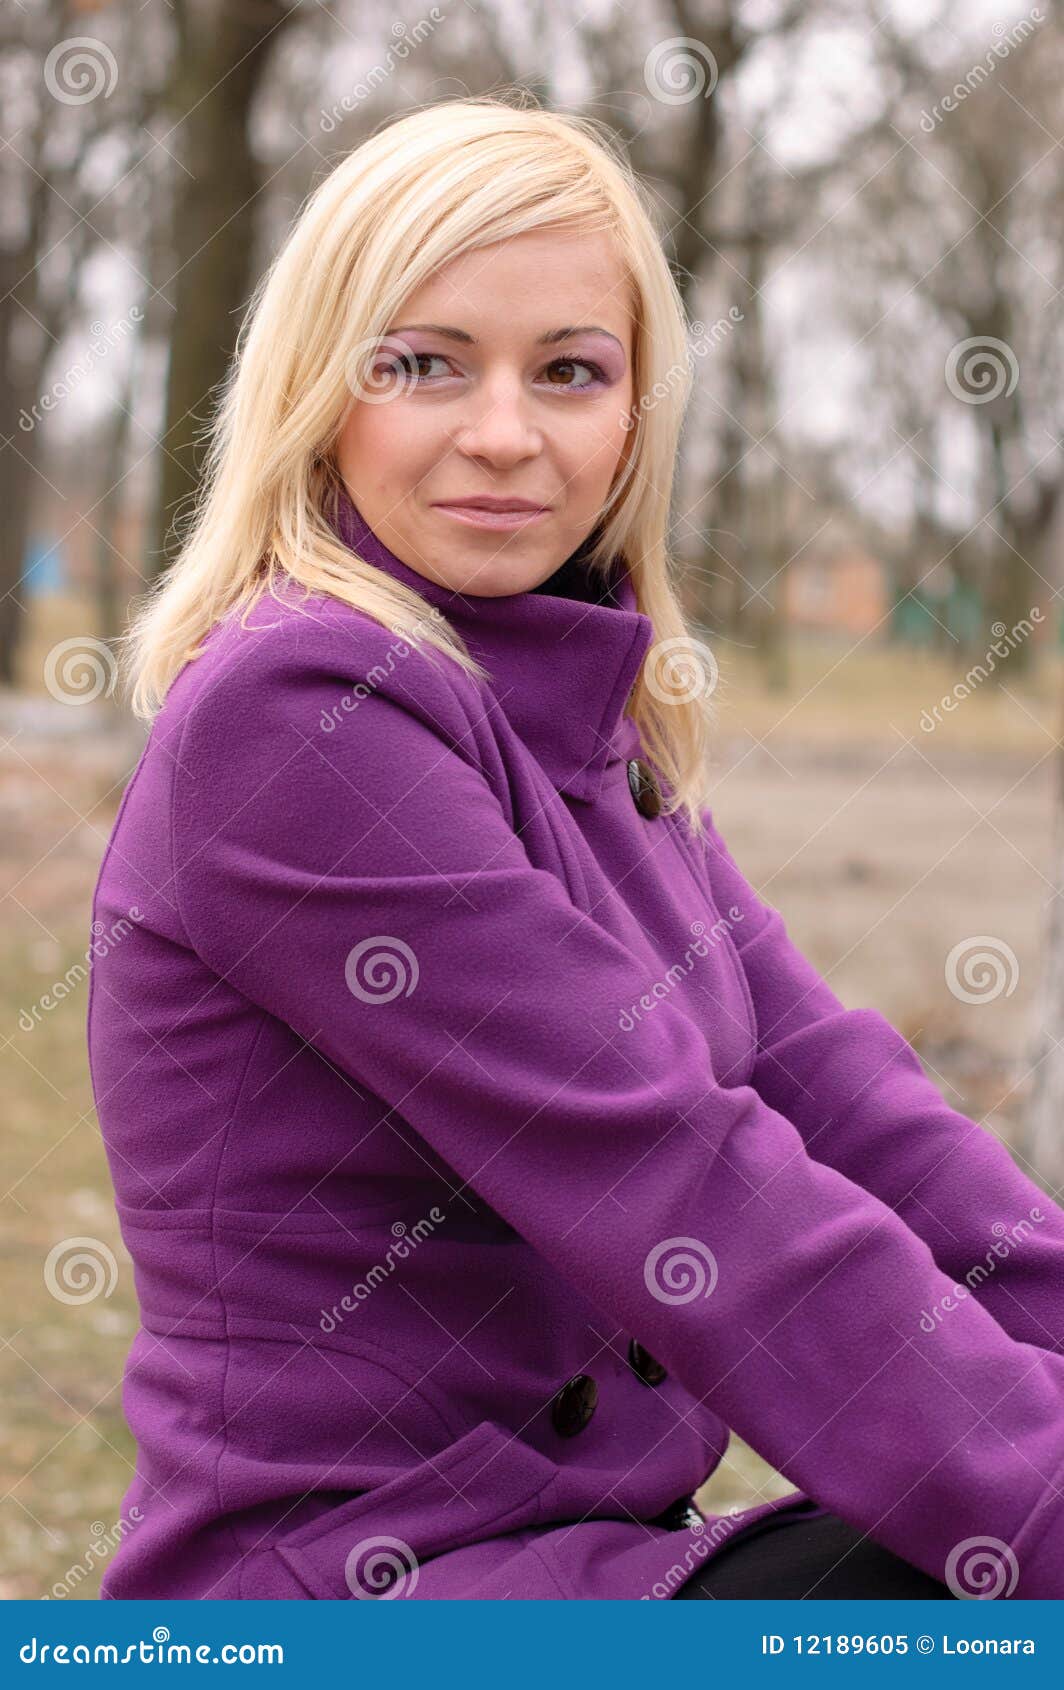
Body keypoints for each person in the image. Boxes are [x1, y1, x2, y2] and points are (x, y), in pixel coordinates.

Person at [88, 93, 1064, 1603]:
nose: (504, 432)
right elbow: (686, 1174)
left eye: (569, 371)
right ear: (315, 387)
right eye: (421, 363)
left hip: (588, 1570)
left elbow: (851, 1112)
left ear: (634, 413)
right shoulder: (299, 716)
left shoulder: (591, 719)